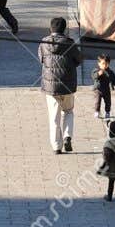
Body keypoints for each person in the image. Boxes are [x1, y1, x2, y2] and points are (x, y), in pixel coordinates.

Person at [37, 15, 81, 151]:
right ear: (64, 29)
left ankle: (57, 146)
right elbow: (79, 59)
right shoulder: (70, 43)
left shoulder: (44, 43)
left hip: (51, 87)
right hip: (68, 85)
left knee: (54, 117)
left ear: (50, 29)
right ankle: (68, 136)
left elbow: (41, 59)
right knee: (68, 111)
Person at [91, 54, 115, 119]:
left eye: (107, 64)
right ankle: (97, 111)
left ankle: (107, 112)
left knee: (108, 102)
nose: (105, 65)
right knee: (97, 101)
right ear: (99, 63)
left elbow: (113, 79)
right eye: (103, 63)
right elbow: (93, 76)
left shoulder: (110, 72)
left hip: (107, 89)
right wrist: (98, 74)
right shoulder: (96, 70)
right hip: (98, 90)